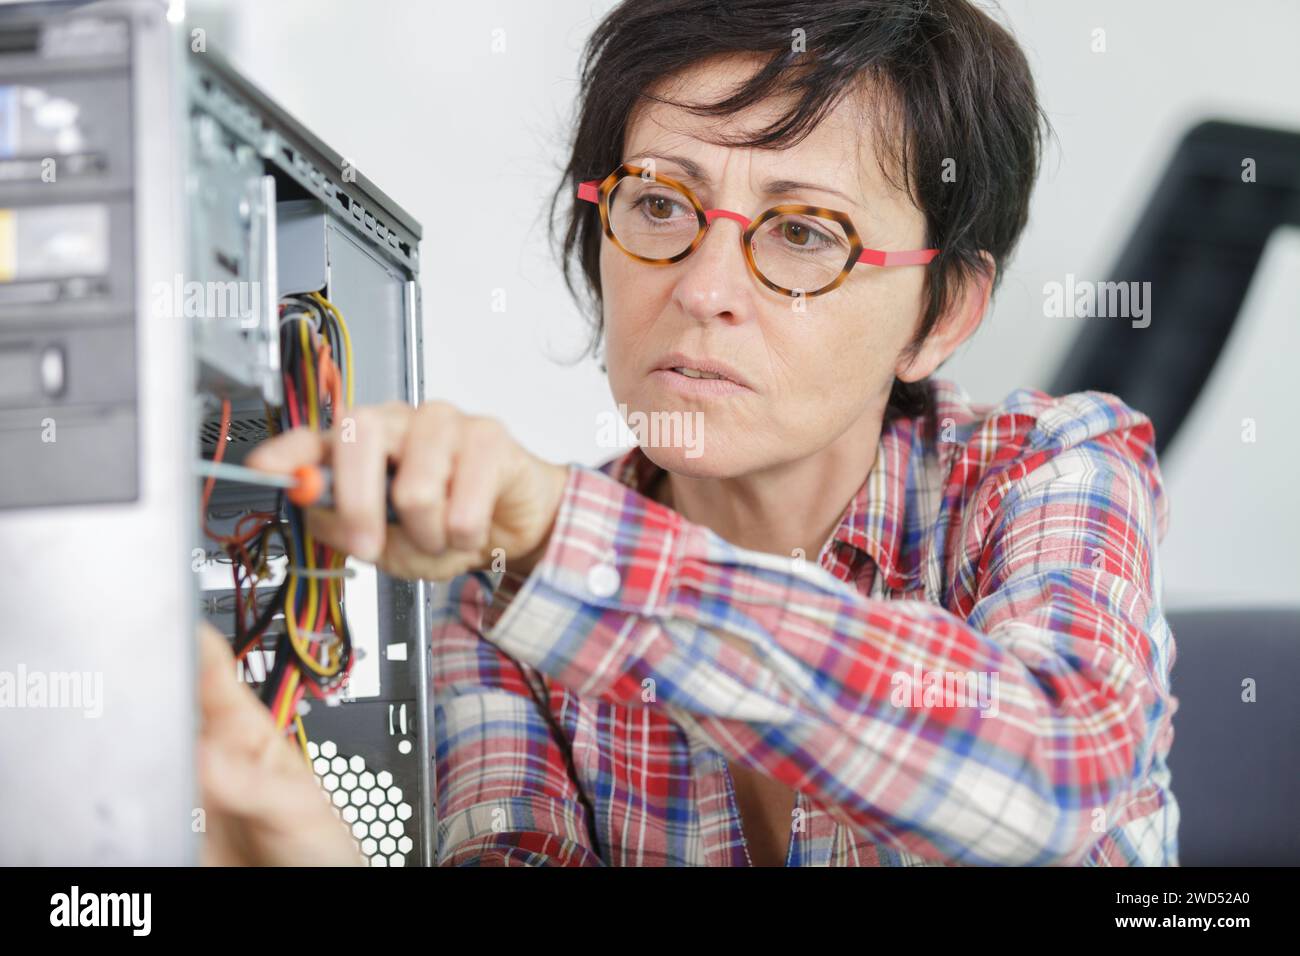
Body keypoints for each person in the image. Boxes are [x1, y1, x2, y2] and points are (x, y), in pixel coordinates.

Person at [202, 0, 1179, 866]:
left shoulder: (1045, 468)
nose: (702, 288)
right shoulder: (492, 592)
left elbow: (1051, 774)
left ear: (941, 313)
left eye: (804, 232)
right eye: (661, 204)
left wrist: (561, 545)